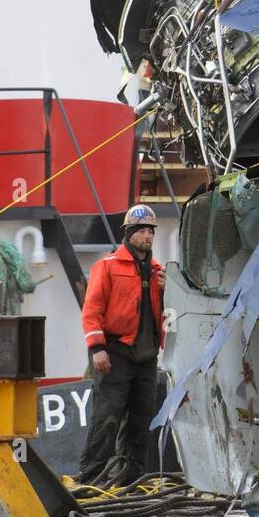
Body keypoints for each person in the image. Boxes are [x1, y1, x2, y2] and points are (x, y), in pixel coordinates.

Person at [77, 204, 166, 488]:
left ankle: (132, 477)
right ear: (128, 234)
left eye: (150, 231)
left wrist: (168, 290)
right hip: (115, 352)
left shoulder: (158, 273)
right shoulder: (107, 266)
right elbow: (92, 310)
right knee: (107, 417)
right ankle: (92, 476)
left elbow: (165, 312)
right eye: (141, 230)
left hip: (147, 356)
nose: (147, 236)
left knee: (141, 420)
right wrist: (97, 348)